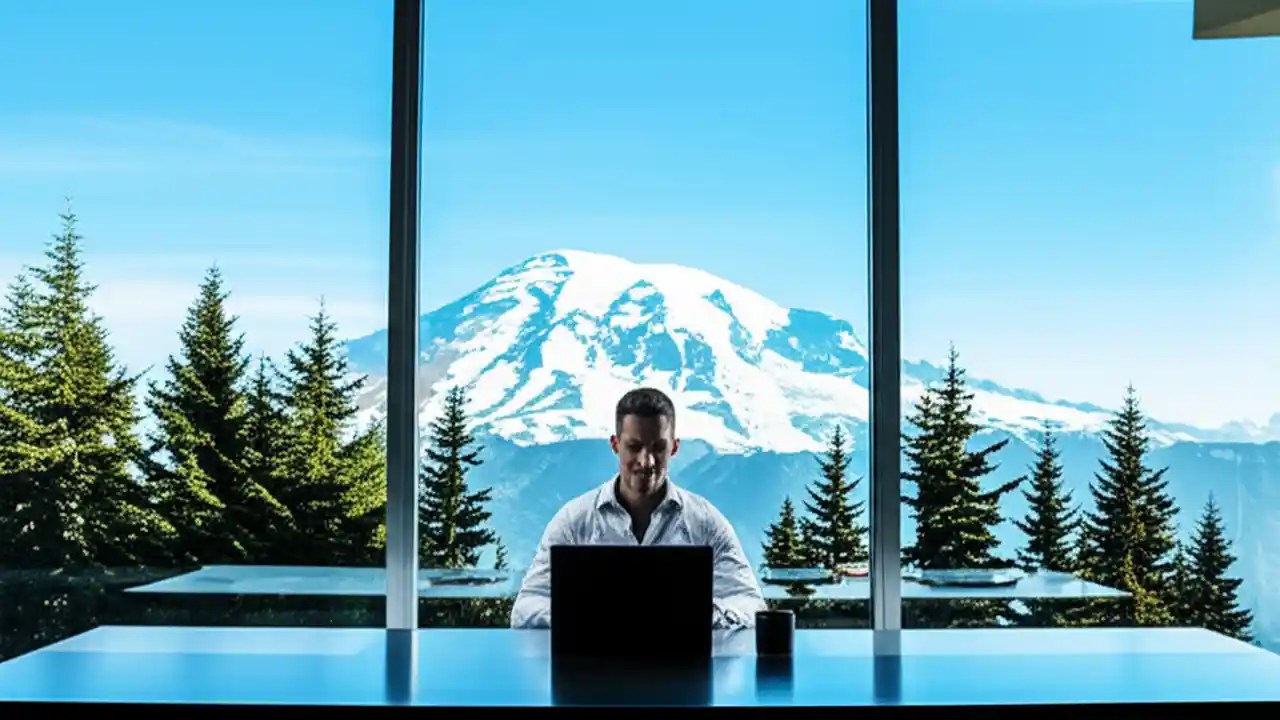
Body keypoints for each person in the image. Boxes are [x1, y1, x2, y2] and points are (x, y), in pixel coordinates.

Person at [510, 387, 767, 629]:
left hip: (683, 672)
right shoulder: (574, 522)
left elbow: (752, 606)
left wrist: (702, 617)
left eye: (658, 447)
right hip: (593, 672)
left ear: (674, 447)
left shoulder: (706, 523)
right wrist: (587, 617)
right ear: (615, 445)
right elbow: (525, 609)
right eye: (634, 447)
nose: (646, 461)